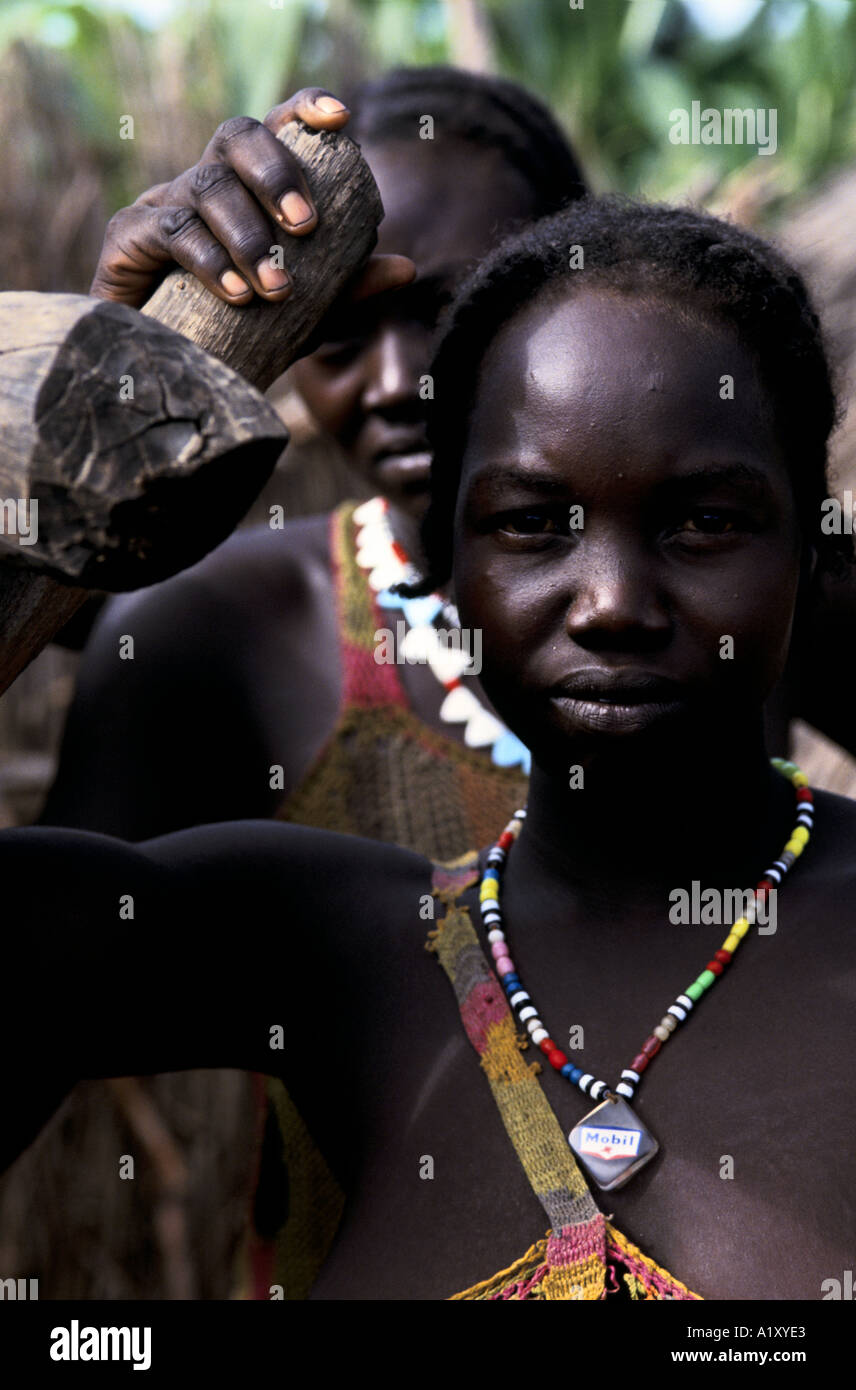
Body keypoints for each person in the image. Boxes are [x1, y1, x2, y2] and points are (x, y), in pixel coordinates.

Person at [6, 195, 855, 1300]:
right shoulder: (328, 946)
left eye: (701, 521)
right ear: (438, 563)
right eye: (530, 522)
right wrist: (94, 376)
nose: (610, 602)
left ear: (807, 545)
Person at [42, 67, 588, 853]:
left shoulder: (742, 577)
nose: (401, 384)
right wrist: (110, 397)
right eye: (334, 332)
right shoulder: (215, 627)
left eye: (454, 310)